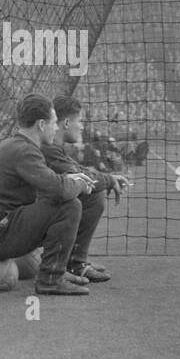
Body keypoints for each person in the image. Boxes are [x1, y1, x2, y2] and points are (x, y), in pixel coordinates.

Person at [0, 94, 99, 296]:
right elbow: (62, 189)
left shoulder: (18, 146)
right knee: (69, 205)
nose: (56, 128)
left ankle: (58, 269)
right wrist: (79, 181)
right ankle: (50, 279)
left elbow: (53, 186)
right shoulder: (24, 151)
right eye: (54, 122)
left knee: (62, 201)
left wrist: (70, 180)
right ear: (41, 124)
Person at [40, 95, 133, 283]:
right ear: (66, 123)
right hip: (29, 222)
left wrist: (109, 178)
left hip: (37, 214)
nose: (82, 126)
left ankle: (73, 261)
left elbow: (80, 171)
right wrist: (108, 180)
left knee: (91, 191)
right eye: (79, 121)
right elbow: (83, 179)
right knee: (91, 194)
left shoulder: (55, 148)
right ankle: (72, 263)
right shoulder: (49, 149)